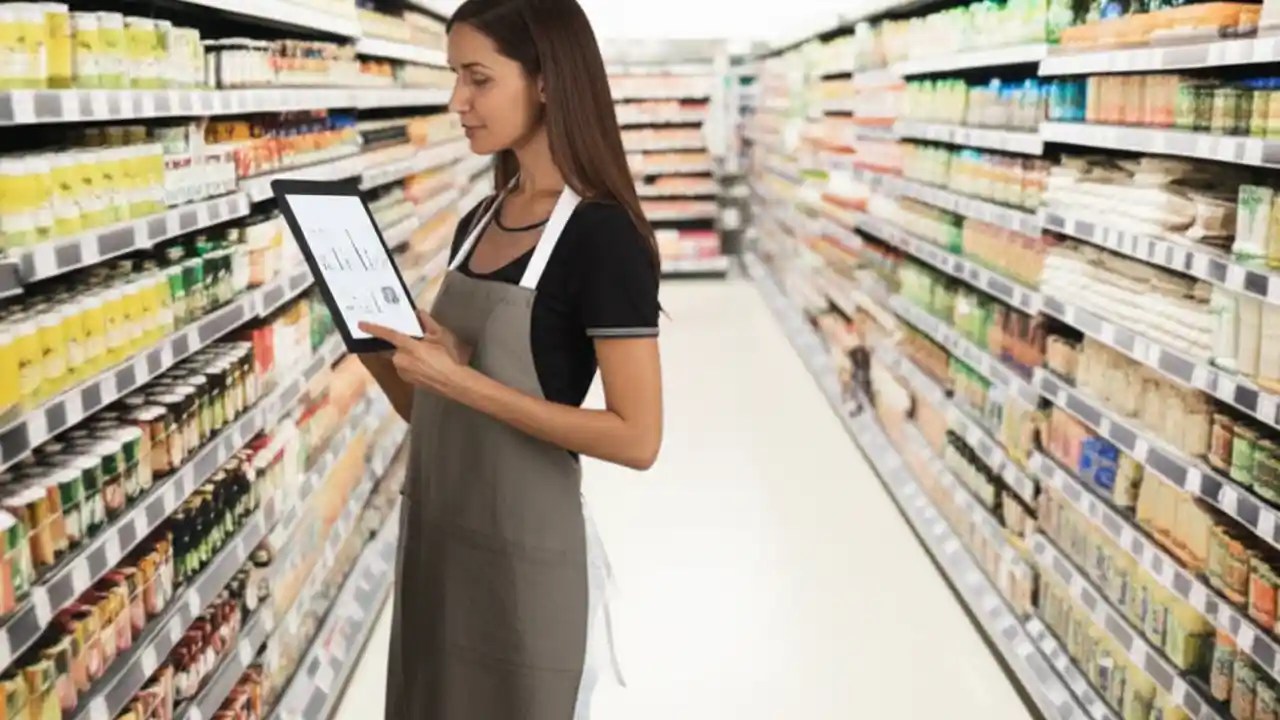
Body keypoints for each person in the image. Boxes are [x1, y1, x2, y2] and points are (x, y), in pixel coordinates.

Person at [355, 0, 664, 717]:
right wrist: (378, 342)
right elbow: (431, 412)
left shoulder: (601, 234)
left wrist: (464, 380)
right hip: (440, 539)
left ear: (548, 81)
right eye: (454, 78)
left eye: (478, 79)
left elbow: (637, 438)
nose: (457, 102)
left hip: (524, 558)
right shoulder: (480, 219)